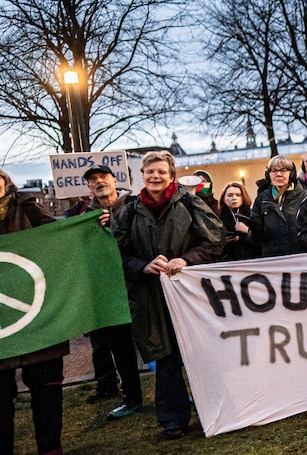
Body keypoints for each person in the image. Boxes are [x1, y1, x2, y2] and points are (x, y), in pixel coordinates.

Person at [112, 151, 224, 439]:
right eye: (150, 172)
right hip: (150, 295)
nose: (155, 176)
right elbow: (118, 254)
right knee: (165, 356)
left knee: (202, 352)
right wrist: (142, 266)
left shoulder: (189, 203)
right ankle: (173, 419)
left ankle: (217, 408)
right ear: (143, 175)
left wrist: (186, 259)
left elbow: (214, 241)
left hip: (189, 293)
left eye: (161, 172)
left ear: (171, 175)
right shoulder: (129, 210)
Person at [0, 168, 66, 455]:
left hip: (38, 317)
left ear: (5, 182)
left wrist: (91, 223)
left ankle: (50, 449)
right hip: (2, 326)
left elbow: (61, 237)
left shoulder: (28, 207)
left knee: (47, 390)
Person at [81, 165, 144, 421]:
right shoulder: (84, 216)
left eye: (103, 177)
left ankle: (173, 391)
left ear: (115, 180)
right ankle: (131, 397)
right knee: (120, 346)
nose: (99, 182)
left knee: (157, 339)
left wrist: (115, 224)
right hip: (110, 289)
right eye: (93, 180)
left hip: (139, 281)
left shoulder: (136, 204)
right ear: (88, 187)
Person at [250, 156, 307, 257]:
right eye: (274, 171)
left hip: (300, 256)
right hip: (272, 259)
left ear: (292, 173)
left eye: (283, 170)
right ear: (268, 175)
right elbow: (257, 235)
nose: (279, 174)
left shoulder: (304, 196)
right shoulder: (261, 198)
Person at [218, 181, 260, 260]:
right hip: (226, 262)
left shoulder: (253, 215)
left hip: (251, 260)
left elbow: (262, 240)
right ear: (223, 198)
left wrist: (248, 231)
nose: (234, 198)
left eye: (238, 195)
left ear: (243, 197)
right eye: (230, 195)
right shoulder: (218, 218)